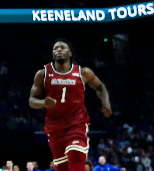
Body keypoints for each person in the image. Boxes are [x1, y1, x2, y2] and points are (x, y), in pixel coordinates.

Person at [29, 40, 112, 171]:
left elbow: (100, 86)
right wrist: (44, 102)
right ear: (52, 54)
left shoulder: (83, 72)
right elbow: (32, 100)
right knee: (63, 168)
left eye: (63, 47)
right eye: (56, 48)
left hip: (77, 124)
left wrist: (106, 102)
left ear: (70, 53)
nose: (59, 50)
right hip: (55, 128)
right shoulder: (43, 74)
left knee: (76, 162)